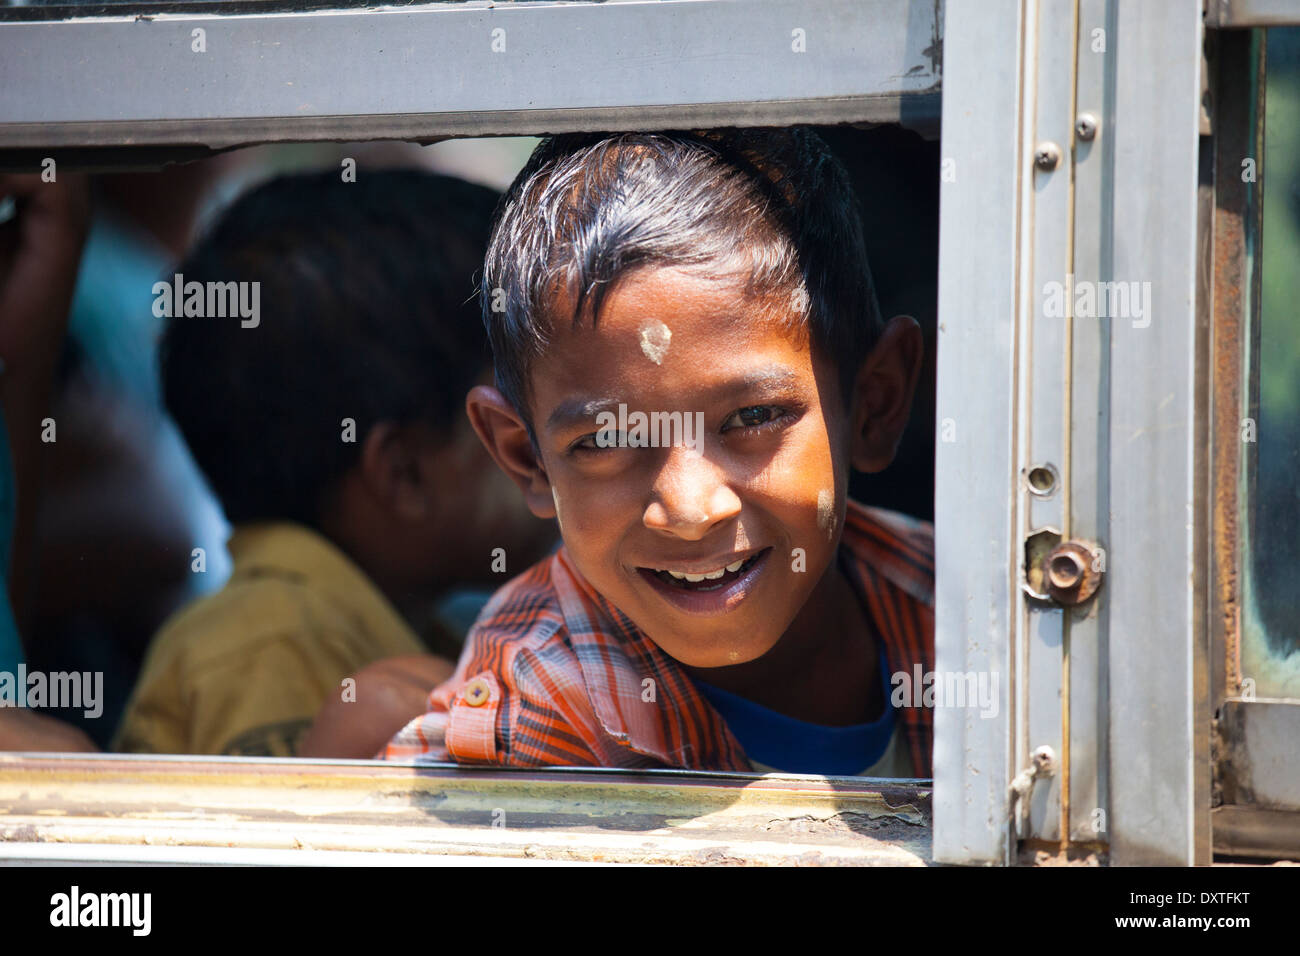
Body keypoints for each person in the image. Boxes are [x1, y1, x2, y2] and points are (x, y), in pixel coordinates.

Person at [377, 128, 935, 775]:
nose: (690, 507)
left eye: (752, 417)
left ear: (874, 405)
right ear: (525, 458)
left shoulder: (971, 613)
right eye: (608, 439)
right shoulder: (531, 720)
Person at [114, 169, 555, 757]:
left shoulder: (411, 625)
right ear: (404, 474)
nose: (558, 437)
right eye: (514, 402)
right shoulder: (271, 644)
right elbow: (278, 842)